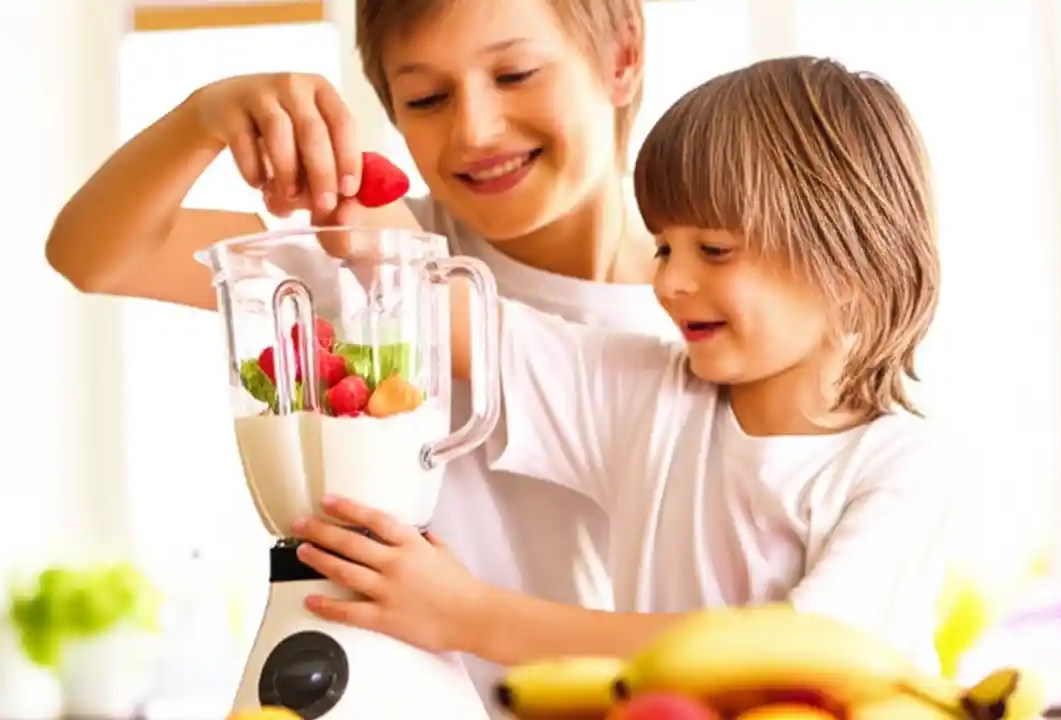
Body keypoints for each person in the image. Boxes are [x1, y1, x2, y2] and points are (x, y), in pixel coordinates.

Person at [44, 0, 674, 709]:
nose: (475, 129)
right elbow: (90, 255)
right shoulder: (372, 255)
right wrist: (201, 119)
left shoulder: (705, 315)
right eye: (427, 97)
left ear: (622, 57)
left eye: (516, 73)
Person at [288, 55, 955, 677]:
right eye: (664, 248)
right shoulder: (648, 400)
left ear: (850, 269)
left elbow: (800, 650)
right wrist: (360, 213)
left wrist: (472, 617)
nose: (671, 283)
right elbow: (467, 318)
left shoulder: (897, 465)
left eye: (715, 250)